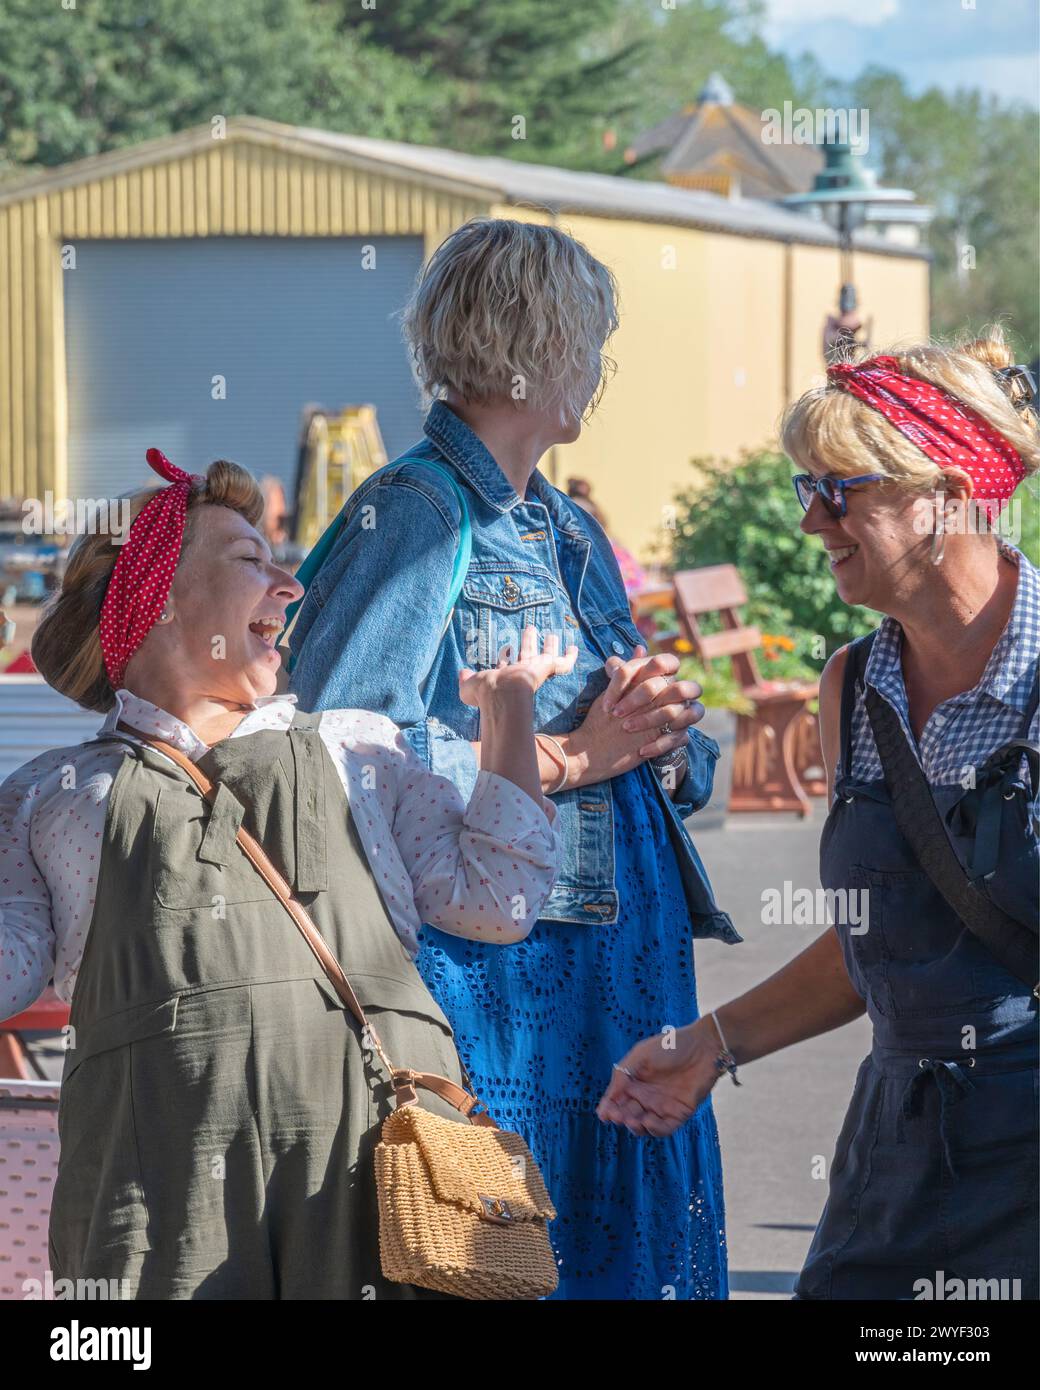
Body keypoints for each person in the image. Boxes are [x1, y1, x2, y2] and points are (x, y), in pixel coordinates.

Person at [288, 217, 738, 1300]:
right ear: (536, 344)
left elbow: (657, 753)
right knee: (512, 1250)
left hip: (611, 959)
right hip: (501, 969)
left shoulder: (564, 529)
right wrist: (574, 756)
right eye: (592, 338)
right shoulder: (411, 513)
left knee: (607, 1242)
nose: (598, 370)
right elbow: (340, 756)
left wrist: (669, 746)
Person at [1, 447, 570, 1299]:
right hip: (160, 1217)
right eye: (248, 560)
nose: (290, 585)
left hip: (369, 1204)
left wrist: (511, 712)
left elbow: (500, 900)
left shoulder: (356, 748)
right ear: (156, 600)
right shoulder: (53, 795)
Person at [599, 330, 1040, 1300]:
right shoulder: (853, 687)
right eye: (806, 490)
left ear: (942, 491)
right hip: (899, 1164)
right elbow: (873, 940)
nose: (813, 523)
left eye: (835, 488)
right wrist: (707, 1044)